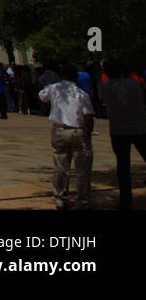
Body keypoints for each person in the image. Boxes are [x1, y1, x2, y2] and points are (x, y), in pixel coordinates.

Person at [38, 64, 95, 210]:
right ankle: (82, 201)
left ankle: (60, 198)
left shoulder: (54, 88)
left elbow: (42, 96)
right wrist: (88, 131)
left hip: (59, 130)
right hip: (77, 131)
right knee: (82, 169)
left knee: (61, 166)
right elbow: (88, 115)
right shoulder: (81, 94)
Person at [101, 59, 146, 210]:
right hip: (139, 126)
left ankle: (126, 198)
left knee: (123, 164)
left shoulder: (105, 87)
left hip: (119, 130)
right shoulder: (132, 83)